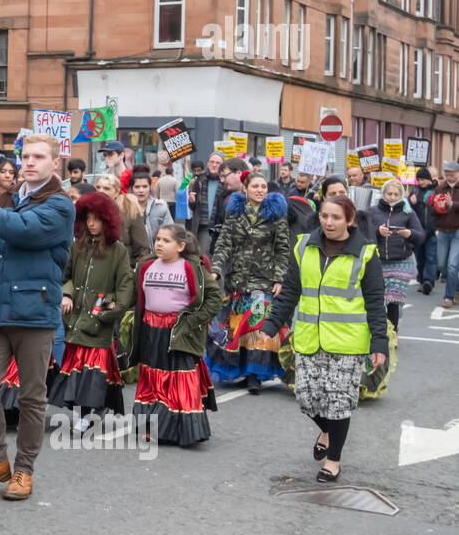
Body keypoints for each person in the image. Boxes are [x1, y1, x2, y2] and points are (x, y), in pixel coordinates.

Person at [0, 133, 74, 501]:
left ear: (55, 163)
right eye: (25, 156)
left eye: (39, 156)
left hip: (36, 314)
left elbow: (22, 231)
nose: (29, 162)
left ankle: (23, 469)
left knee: (32, 398)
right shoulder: (7, 201)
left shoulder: (60, 205)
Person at [260, 195, 388, 481]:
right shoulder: (304, 246)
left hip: (348, 341)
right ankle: (329, 431)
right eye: (325, 216)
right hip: (309, 338)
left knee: (338, 402)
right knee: (306, 397)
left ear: (350, 221)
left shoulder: (366, 252)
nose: (329, 222)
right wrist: (271, 325)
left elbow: (375, 301)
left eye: (336, 218)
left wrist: (378, 342)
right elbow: (291, 289)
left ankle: (333, 460)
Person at [129, 224, 223, 445]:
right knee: (155, 378)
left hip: (180, 331)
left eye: (166, 240)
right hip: (151, 330)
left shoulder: (193, 268)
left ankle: (184, 431)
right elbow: (134, 296)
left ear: (181, 246)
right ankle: (159, 428)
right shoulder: (146, 266)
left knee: (179, 379)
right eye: (158, 239)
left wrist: (191, 321)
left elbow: (214, 299)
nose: (159, 244)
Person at [51, 193, 133, 430]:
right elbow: (65, 277)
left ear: (108, 221)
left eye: (97, 219)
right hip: (75, 320)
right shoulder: (76, 247)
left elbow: (125, 289)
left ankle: (86, 415)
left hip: (99, 322)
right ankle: (84, 411)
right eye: (88, 218)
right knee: (76, 369)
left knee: (92, 372)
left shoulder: (118, 251)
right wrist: (66, 294)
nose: (91, 223)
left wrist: (106, 311)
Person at [206, 171, 289, 394]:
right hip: (238, 279)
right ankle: (241, 367)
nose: (260, 190)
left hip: (263, 281)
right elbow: (223, 245)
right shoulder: (234, 214)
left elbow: (283, 250)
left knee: (256, 324)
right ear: (246, 188)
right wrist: (215, 271)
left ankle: (255, 374)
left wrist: (279, 277)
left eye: (264, 186)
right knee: (237, 326)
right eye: (255, 186)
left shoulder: (276, 216)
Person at [367, 178, 424, 334]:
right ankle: (378, 332)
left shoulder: (408, 212)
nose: (392, 197)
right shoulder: (372, 211)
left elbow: (420, 236)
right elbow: (363, 233)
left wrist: (409, 233)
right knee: (378, 300)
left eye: (395, 194)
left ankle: (392, 333)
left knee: (393, 300)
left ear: (401, 196)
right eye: (389, 193)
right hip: (377, 262)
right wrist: (378, 232)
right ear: (383, 193)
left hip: (401, 262)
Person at [93, 173, 150, 270]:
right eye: (98, 187)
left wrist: (134, 272)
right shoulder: (90, 212)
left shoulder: (128, 212)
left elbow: (142, 248)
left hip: (122, 270)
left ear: (116, 192)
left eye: (106, 188)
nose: (100, 191)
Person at [433, 161, 459, 309]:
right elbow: (432, 210)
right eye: (447, 175)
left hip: (458, 231)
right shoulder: (439, 189)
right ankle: (456, 286)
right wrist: (438, 208)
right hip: (443, 230)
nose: (449, 177)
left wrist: (452, 205)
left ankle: (448, 297)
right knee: (442, 265)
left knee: (452, 265)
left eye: (452, 175)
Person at [189, 153, 225, 255]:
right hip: (202, 227)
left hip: (220, 227)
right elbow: (193, 207)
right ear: (208, 164)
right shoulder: (199, 181)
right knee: (203, 258)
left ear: (222, 165)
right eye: (212, 162)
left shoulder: (225, 182)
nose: (214, 165)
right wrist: (191, 201)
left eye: (218, 163)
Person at [410, 167, 439, 295]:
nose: (420, 182)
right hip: (418, 232)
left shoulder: (435, 192)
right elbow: (409, 211)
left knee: (431, 257)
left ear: (428, 179)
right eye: (418, 180)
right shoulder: (414, 192)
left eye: (422, 179)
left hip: (432, 231)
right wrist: (412, 202)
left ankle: (428, 281)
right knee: (420, 258)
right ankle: (422, 280)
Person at [131, 173, 173, 247]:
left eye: (145, 186)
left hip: (156, 254)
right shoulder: (125, 209)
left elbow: (170, 232)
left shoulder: (160, 207)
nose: (141, 190)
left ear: (150, 188)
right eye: (137, 187)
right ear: (132, 188)